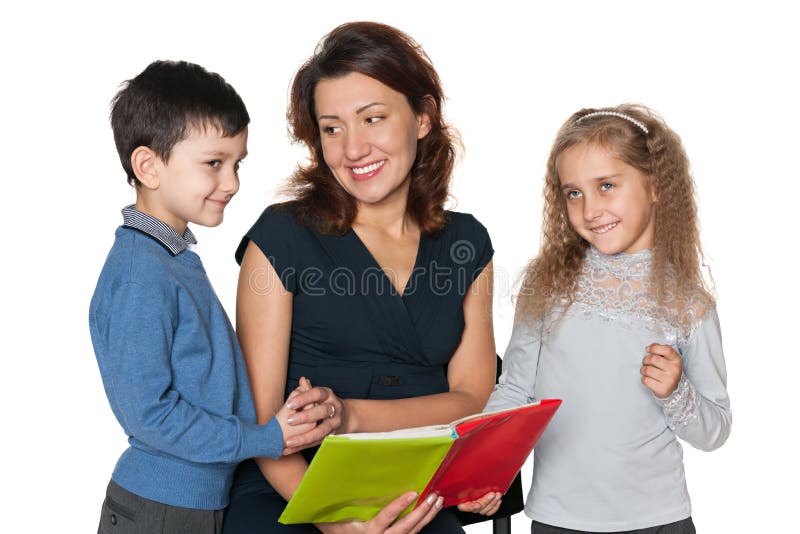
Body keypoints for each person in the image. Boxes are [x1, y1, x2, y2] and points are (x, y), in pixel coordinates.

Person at [223, 22, 501, 534]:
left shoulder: (467, 244)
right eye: (332, 128)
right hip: (289, 488)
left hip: (413, 491)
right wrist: (335, 521)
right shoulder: (280, 236)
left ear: (422, 117)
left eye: (372, 119)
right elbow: (261, 425)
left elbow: (471, 400)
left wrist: (347, 416)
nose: (353, 150)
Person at [90, 60, 343, 534]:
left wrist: (287, 415)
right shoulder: (140, 274)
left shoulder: (172, 259)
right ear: (148, 166)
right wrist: (266, 437)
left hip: (196, 503)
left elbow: (209, 383)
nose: (232, 183)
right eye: (214, 164)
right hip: (158, 510)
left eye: (237, 164)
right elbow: (152, 416)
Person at [484, 105, 732, 533]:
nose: (590, 209)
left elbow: (715, 430)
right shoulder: (546, 288)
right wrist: (484, 463)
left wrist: (676, 392)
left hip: (658, 521)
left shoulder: (688, 303)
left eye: (606, 186)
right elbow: (514, 390)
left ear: (654, 186)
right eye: (573, 193)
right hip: (556, 519)